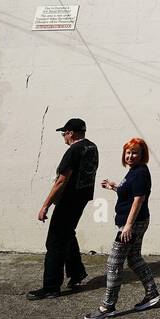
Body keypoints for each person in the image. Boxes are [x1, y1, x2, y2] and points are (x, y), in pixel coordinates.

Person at [85, 137, 160, 319]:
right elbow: (129, 193)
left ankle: (108, 306)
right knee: (134, 259)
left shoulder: (140, 172)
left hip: (132, 224)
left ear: (142, 155)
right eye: (128, 152)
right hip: (134, 223)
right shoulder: (134, 172)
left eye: (135, 152)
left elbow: (138, 200)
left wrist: (128, 226)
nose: (130, 156)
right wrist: (114, 187)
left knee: (113, 263)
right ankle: (152, 293)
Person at [26, 117, 98, 300]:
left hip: (68, 201)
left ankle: (51, 287)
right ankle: (77, 272)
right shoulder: (92, 147)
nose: (63, 137)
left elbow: (61, 180)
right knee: (67, 234)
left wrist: (45, 205)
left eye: (64, 133)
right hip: (81, 199)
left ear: (71, 133)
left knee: (55, 243)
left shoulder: (73, 150)